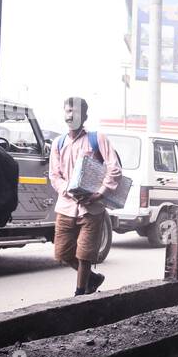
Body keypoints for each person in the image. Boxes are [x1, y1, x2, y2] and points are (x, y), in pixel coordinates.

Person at [47, 97, 121, 296]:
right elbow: (54, 175)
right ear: (64, 114)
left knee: (85, 255)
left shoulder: (97, 138)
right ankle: (93, 279)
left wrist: (100, 193)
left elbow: (114, 169)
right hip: (66, 206)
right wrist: (67, 190)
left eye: (76, 112)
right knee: (62, 253)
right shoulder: (58, 142)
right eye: (68, 111)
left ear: (85, 116)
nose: (71, 116)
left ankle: (80, 293)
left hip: (92, 207)